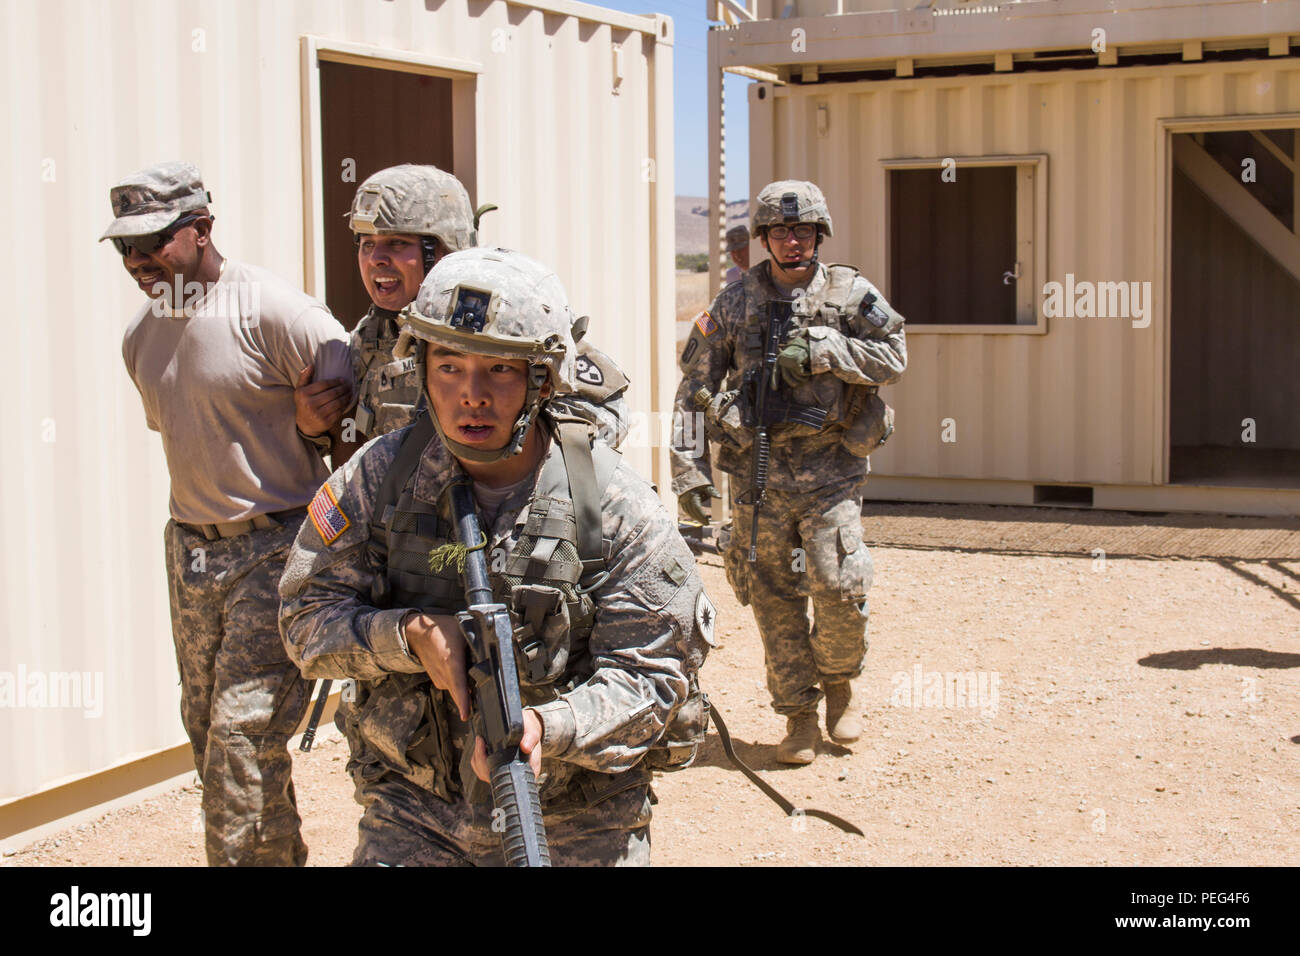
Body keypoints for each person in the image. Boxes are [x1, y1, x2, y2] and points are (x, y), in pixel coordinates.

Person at [280, 247, 710, 866]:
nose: (471, 395)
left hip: (575, 818)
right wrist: (406, 636)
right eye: (449, 367)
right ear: (422, 370)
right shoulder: (380, 479)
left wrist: (546, 728)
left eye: (500, 371)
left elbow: (653, 677)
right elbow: (304, 622)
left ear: (543, 381)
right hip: (415, 811)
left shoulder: (611, 505)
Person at [106, 160, 352, 864]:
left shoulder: (276, 312)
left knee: (244, 736)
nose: (138, 260)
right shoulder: (140, 337)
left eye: (154, 241)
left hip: (275, 546)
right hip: (190, 551)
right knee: (208, 732)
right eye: (125, 247)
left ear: (202, 229)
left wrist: (313, 429)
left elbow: (359, 421)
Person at [671, 180, 906, 765]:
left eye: (802, 230)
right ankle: (798, 716)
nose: (792, 240)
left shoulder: (850, 295)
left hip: (832, 472)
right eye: (779, 230)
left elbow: (894, 356)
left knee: (839, 584)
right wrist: (689, 475)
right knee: (772, 599)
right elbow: (693, 391)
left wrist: (827, 348)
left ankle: (840, 685)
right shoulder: (734, 304)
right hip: (759, 479)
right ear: (763, 238)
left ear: (819, 234)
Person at [344, 164, 629, 452]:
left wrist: (514, 452)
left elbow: (608, 415)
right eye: (367, 244)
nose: (376, 258)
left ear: (444, 249)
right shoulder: (371, 337)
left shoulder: (509, 315)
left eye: (397, 243)